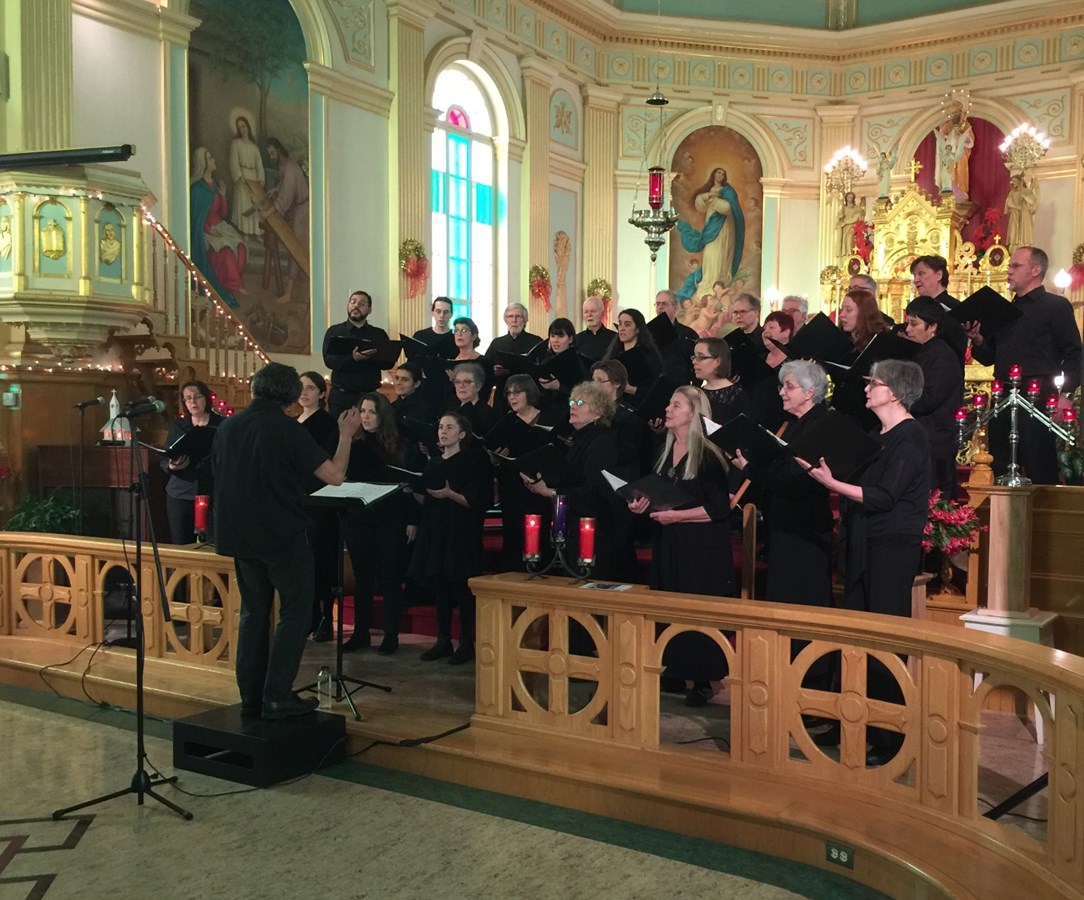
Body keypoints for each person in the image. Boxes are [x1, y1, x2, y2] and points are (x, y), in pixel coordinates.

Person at [212, 363, 362, 720]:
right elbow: (335, 476)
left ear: (255, 389)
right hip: (281, 535)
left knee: (253, 614)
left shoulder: (228, 426)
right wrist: (345, 435)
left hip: (238, 534)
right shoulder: (286, 429)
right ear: (291, 395)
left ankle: (250, 697)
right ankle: (277, 695)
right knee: (295, 613)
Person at [803, 359, 931, 765]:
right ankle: (851, 720)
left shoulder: (911, 437)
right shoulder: (881, 434)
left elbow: (885, 496)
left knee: (884, 640)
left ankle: (888, 736)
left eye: (873, 383)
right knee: (855, 636)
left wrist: (832, 484)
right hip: (864, 543)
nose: (866, 389)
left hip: (892, 547)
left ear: (893, 391)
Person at [628, 385, 733, 707]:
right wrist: (642, 506)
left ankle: (703, 679)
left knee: (695, 609)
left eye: (676, 405)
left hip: (700, 547)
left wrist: (678, 516)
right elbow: (659, 494)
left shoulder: (710, 455)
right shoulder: (664, 449)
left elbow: (720, 508)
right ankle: (673, 669)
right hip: (670, 540)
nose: (668, 410)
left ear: (694, 413)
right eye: (669, 403)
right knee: (667, 602)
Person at [965, 246, 1082, 484]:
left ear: (1036, 270)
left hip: (1037, 394)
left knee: (1039, 462)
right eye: (1009, 266)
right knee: (1000, 461)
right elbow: (989, 357)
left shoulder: (1055, 306)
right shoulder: (1004, 309)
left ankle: (1042, 518)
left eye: (1015, 266)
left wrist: (1065, 395)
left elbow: (1073, 353)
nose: (1009, 271)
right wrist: (977, 339)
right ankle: (1003, 519)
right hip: (1003, 394)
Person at [731, 361, 834, 609]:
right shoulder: (794, 424)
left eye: (789, 386)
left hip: (805, 529)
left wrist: (749, 469)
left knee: (802, 599)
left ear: (809, 392)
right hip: (787, 525)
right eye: (782, 386)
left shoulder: (820, 425)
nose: (781, 392)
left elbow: (794, 481)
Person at [523, 381, 636, 582]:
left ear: (598, 412)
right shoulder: (579, 439)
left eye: (581, 402)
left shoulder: (601, 442)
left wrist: (550, 492)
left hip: (596, 529)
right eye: (572, 401)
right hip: (577, 524)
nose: (573, 406)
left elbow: (592, 489)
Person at [342, 392, 423, 655]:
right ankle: (360, 633)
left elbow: (410, 484)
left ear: (383, 415)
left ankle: (391, 635)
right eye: (362, 411)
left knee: (390, 577)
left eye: (371, 412)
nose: (365, 417)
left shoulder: (400, 446)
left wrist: (412, 521)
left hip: (391, 518)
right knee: (362, 577)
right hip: (359, 519)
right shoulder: (353, 445)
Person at [409, 413, 492, 664]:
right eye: (441, 427)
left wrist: (449, 493)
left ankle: (467, 643)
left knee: (462, 588)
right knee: (440, 587)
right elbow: (427, 498)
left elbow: (478, 500)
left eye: (449, 427)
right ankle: (443, 640)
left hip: (461, 530)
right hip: (436, 529)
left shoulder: (472, 461)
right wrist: (412, 489)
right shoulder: (433, 463)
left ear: (462, 434)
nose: (443, 432)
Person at [903, 297, 964, 499]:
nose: (908, 329)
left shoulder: (942, 355)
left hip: (935, 440)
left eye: (914, 324)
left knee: (935, 501)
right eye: (907, 323)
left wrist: (895, 395)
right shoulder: (919, 352)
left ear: (933, 327)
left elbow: (929, 398)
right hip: (920, 437)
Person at [297, 371, 339, 641]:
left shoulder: (326, 423)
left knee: (320, 559)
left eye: (311, 388)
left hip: (319, 497)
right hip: (295, 498)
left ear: (322, 393)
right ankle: (306, 615)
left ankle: (325, 617)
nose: (304, 392)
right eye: (301, 387)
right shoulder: (291, 422)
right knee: (301, 561)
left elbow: (325, 459)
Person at [494, 374, 550, 571]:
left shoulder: (546, 419)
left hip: (537, 486)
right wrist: (496, 457)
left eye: (517, 392)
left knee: (537, 535)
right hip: (511, 486)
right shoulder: (505, 422)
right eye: (508, 393)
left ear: (530, 393)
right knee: (513, 534)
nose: (512, 397)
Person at [162, 380, 226, 544]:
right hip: (181, 492)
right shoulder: (179, 426)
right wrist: (172, 465)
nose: (193, 402)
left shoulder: (222, 424)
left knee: (213, 544)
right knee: (181, 543)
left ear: (206, 398)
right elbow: (165, 458)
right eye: (188, 398)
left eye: (197, 397)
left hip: (213, 492)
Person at [189, 147, 247, 306]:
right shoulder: (196, 190)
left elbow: (223, 213)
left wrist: (222, 195)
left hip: (219, 225)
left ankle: (236, 284)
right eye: (209, 158)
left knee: (241, 247)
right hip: (206, 230)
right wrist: (210, 231)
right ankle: (231, 286)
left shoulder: (215, 186)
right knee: (226, 251)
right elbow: (197, 219)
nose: (213, 160)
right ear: (203, 163)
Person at [676, 167, 746, 300]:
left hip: (724, 228)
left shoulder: (727, 191)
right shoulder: (708, 191)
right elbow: (699, 205)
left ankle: (718, 284)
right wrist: (706, 196)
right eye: (718, 172)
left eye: (723, 173)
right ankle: (707, 284)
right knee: (710, 255)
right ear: (713, 174)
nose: (720, 175)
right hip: (711, 228)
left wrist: (714, 201)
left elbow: (727, 208)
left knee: (720, 254)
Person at [322, 290, 389, 418]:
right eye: (353, 302)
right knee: (337, 434)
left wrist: (371, 357)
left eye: (362, 303)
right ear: (348, 306)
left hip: (369, 396)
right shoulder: (335, 331)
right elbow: (329, 360)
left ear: (369, 310)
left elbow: (388, 362)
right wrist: (352, 358)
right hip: (341, 396)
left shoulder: (378, 334)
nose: (356, 306)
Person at [264, 138, 309, 304]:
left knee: (295, 248)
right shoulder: (285, 165)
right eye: (269, 154)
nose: (271, 156)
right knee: (297, 247)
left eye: (272, 152)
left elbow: (286, 197)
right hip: (298, 208)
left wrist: (270, 210)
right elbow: (284, 185)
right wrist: (275, 189)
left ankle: (289, 293)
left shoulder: (290, 169)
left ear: (278, 149)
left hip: (303, 211)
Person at [487, 302, 544, 413]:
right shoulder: (497, 343)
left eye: (518, 316)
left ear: (525, 320)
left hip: (529, 395)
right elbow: (486, 367)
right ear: (505, 320)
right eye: (510, 316)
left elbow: (542, 369)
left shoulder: (536, 341)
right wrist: (493, 371)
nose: (514, 320)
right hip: (503, 395)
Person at [910, 254, 966, 361]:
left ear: (939, 275)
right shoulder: (918, 307)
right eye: (914, 275)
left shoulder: (954, 308)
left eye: (921, 274)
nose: (916, 280)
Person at [749, 311, 794, 432]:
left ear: (786, 332)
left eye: (772, 327)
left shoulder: (794, 363)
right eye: (764, 328)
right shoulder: (758, 358)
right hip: (755, 420)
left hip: (781, 424)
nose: (766, 331)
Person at [603, 309, 663, 398]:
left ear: (638, 329)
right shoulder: (613, 355)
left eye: (627, 325)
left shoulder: (649, 356)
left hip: (638, 405)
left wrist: (630, 389)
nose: (622, 328)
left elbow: (657, 392)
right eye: (620, 324)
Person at [692, 338, 749, 427]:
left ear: (718, 361)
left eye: (701, 357)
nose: (694, 361)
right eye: (694, 357)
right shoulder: (697, 394)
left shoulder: (737, 395)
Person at [537, 317, 585, 419]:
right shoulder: (545, 361)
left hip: (570, 412)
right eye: (553, 336)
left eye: (560, 336)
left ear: (571, 339)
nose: (555, 340)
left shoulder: (578, 362)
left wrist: (559, 387)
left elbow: (582, 397)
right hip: (545, 411)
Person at [229, 115, 264, 237]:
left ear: (247, 126)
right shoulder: (236, 143)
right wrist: (240, 176)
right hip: (243, 179)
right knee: (244, 205)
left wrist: (260, 179)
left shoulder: (254, 147)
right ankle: (245, 233)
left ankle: (256, 232)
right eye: (239, 128)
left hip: (253, 178)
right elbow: (233, 161)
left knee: (254, 205)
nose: (242, 129)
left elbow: (259, 164)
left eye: (243, 126)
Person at [446, 316, 495, 406]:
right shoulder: (449, 362)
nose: (459, 334)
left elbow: (486, 391)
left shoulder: (484, 362)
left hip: (477, 409)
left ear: (474, 336)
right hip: (454, 408)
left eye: (464, 330)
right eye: (456, 330)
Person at [655, 289, 698, 385]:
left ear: (675, 307)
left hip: (680, 389)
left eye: (664, 304)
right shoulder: (647, 333)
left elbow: (698, 364)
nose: (660, 307)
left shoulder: (688, 334)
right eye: (657, 304)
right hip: (653, 389)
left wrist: (694, 389)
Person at [449, 361, 499, 439]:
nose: (461, 385)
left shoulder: (489, 413)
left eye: (467, 382)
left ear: (478, 386)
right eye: (458, 382)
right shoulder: (451, 410)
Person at [1004, 173, 1039, 252]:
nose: (1014, 183)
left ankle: (1024, 246)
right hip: (1015, 215)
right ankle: (1014, 248)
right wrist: (1016, 207)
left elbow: (1032, 201)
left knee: (1024, 233)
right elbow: (1008, 202)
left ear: (1020, 181)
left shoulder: (1026, 191)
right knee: (1014, 233)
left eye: (1015, 181)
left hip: (1025, 215)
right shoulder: (1012, 193)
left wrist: (1025, 197)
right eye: (1013, 181)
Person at [577, 294, 616, 361]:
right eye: (586, 312)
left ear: (602, 314)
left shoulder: (614, 338)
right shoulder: (577, 339)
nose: (589, 315)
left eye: (593, 311)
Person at [837, 191, 864, 258]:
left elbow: (856, 218)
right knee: (844, 239)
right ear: (846, 198)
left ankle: (850, 253)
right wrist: (840, 216)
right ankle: (844, 253)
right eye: (849, 197)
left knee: (850, 239)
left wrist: (846, 222)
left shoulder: (856, 208)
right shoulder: (844, 208)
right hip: (845, 227)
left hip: (852, 227)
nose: (850, 199)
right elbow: (839, 217)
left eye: (851, 197)